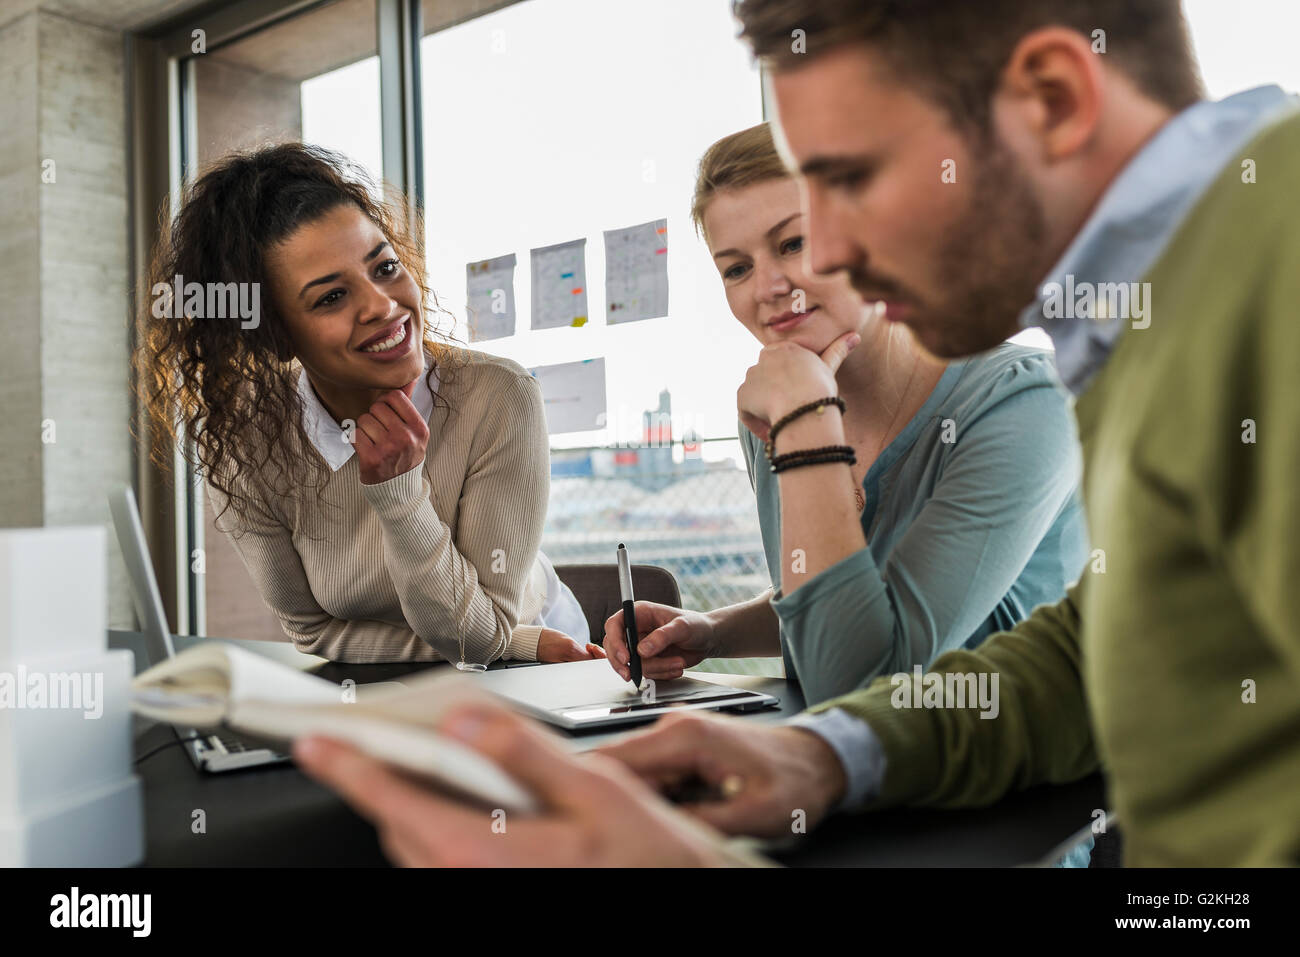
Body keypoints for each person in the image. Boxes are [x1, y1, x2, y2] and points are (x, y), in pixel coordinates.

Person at [298, 0, 1300, 866]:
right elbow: (1102, 650)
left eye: (851, 178)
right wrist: (824, 754)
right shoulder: (1163, 312)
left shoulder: (1268, 282)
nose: (825, 256)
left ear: (1050, 100)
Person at [602, 122, 1087, 711]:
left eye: (794, 243)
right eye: (736, 268)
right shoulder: (780, 410)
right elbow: (836, 613)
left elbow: (864, 684)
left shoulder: (1024, 403)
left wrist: (806, 424)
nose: (769, 287)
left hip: (1015, 770)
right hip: (849, 766)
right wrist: (712, 630)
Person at [137, 142, 598, 665]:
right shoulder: (248, 445)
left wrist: (399, 494)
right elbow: (311, 631)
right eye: (331, 297)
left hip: (548, 669)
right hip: (480, 660)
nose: (383, 306)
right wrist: (509, 642)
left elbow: (479, 638)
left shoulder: (498, 397)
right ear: (275, 338)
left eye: (384, 268)